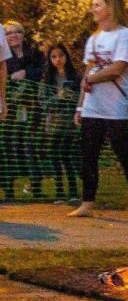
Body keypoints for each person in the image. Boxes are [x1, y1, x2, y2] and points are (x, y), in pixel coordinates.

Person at [69, 0, 128, 218]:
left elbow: (118, 68)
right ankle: (87, 203)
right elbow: (87, 72)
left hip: (117, 108)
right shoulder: (93, 39)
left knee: (125, 155)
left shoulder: (124, 36)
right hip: (93, 107)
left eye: (97, 5)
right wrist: (80, 106)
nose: (92, 9)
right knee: (88, 156)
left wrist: (91, 79)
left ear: (110, 8)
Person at [2, 21, 44, 198]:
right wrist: (11, 77)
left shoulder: (35, 53)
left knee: (30, 145)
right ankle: (8, 189)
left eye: (17, 31)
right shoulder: (4, 56)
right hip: (10, 108)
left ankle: (36, 186)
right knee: (9, 145)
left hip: (32, 107)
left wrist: (26, 73)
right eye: (9, 33)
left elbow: (43, 71)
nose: (13, 35)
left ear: (23, 34)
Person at [40, 44, 81, 202]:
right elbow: (43, 102)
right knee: (54, 156)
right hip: (53, 124)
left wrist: (72, 98)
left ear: (67, 56)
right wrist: (58, 97)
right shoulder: (47, 79)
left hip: (70, 124)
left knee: (67, 156)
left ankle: (73, 192)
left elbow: (83, 97)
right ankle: (59, 192)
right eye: (54, 56)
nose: (58, 59)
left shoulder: (76, 76)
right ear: (50, 59)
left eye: (61, 55)